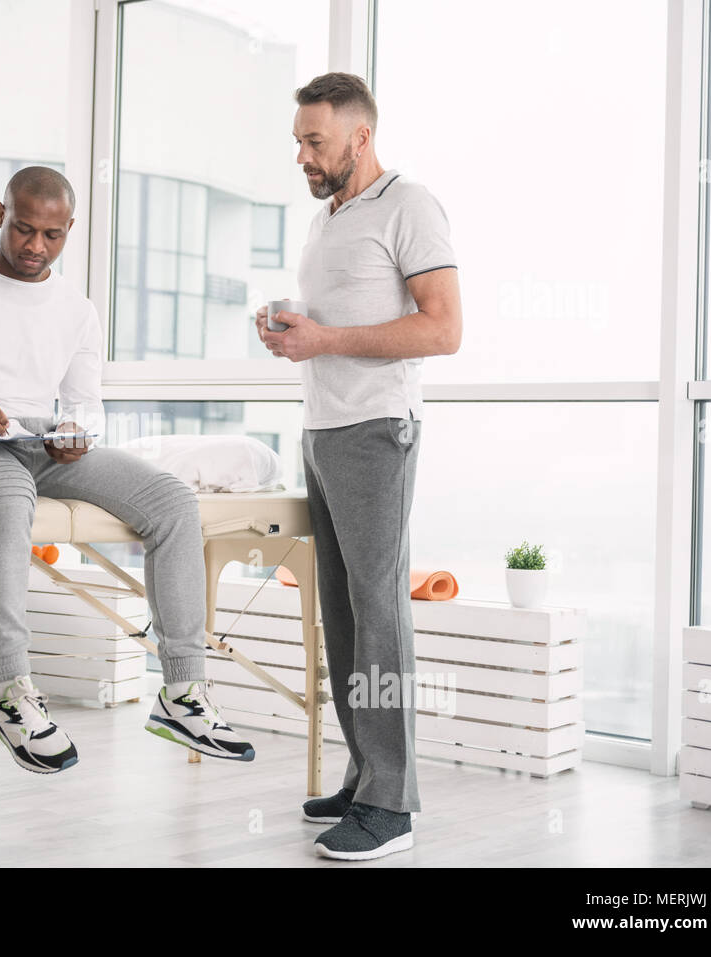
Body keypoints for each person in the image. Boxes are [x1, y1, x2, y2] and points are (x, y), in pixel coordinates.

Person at [0, 166, 255, 774]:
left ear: (69, 230)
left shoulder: (76, 310)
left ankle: (182, 691)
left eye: (51, 235)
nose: (34, 247)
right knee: (6, 488)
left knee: (171, 502)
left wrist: (76, 435)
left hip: (34, 444)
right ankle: (10, 693)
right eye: (23, 229)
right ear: (1, 214)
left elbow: (84, 406)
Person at [255, 74, 462, 860]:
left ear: (359, 137)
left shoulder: (410, 206)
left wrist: (325, 340)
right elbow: (332, 326)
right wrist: (290, 332)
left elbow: (442, 331)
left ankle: (392, 802)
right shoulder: (326, 219)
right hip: (323, 429)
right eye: (299, 142)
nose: (303, 156)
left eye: (315, 141)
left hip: (377, 429)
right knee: (340, 614)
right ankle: (363, 771)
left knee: (379, 613)